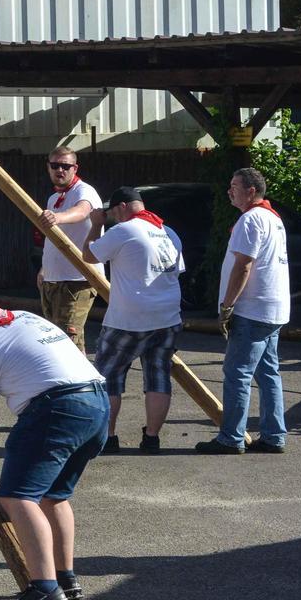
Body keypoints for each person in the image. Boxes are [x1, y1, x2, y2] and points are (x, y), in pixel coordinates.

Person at [0, 288, 108, 600]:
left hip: (56, 410)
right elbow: (16, 368)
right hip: (96, 404)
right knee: (54, 496)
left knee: (18, 498)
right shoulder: (23, 319)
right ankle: (66, 581)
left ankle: (44, 589)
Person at [80, 186, 184, 453]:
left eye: (113, 213)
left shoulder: (124, 230)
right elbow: (177, 271)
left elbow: (89, 255)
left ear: (122, 207)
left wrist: (95, 226)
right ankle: (152, 438)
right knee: (158, 376)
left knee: (108, 376)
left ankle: (108, 438)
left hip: (129, 319)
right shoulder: (167, 231)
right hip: (167, 316)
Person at [198, 167, 290, 455]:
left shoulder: (250, 220)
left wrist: (227, 305)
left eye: (234, 186)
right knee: (268, 373)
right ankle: (274, 435)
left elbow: (244, 265)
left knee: (238, 372)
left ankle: (231, 437)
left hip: (253, 309)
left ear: (251, 191)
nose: (230, 191)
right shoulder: (272, 218)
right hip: (272, 307)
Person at [37, 147, 104, 350]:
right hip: (53, 280)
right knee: (63, 340)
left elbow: (82, 211)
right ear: (48, 167)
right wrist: (44, 269)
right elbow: (53, 239)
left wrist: (58, 217)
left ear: (75, 168)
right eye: (55, 165)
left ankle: (76, 382)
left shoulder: (84, 191)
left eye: (65, 166)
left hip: (78, 280)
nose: (60, 170)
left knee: (66, 341)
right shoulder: (53, 198)